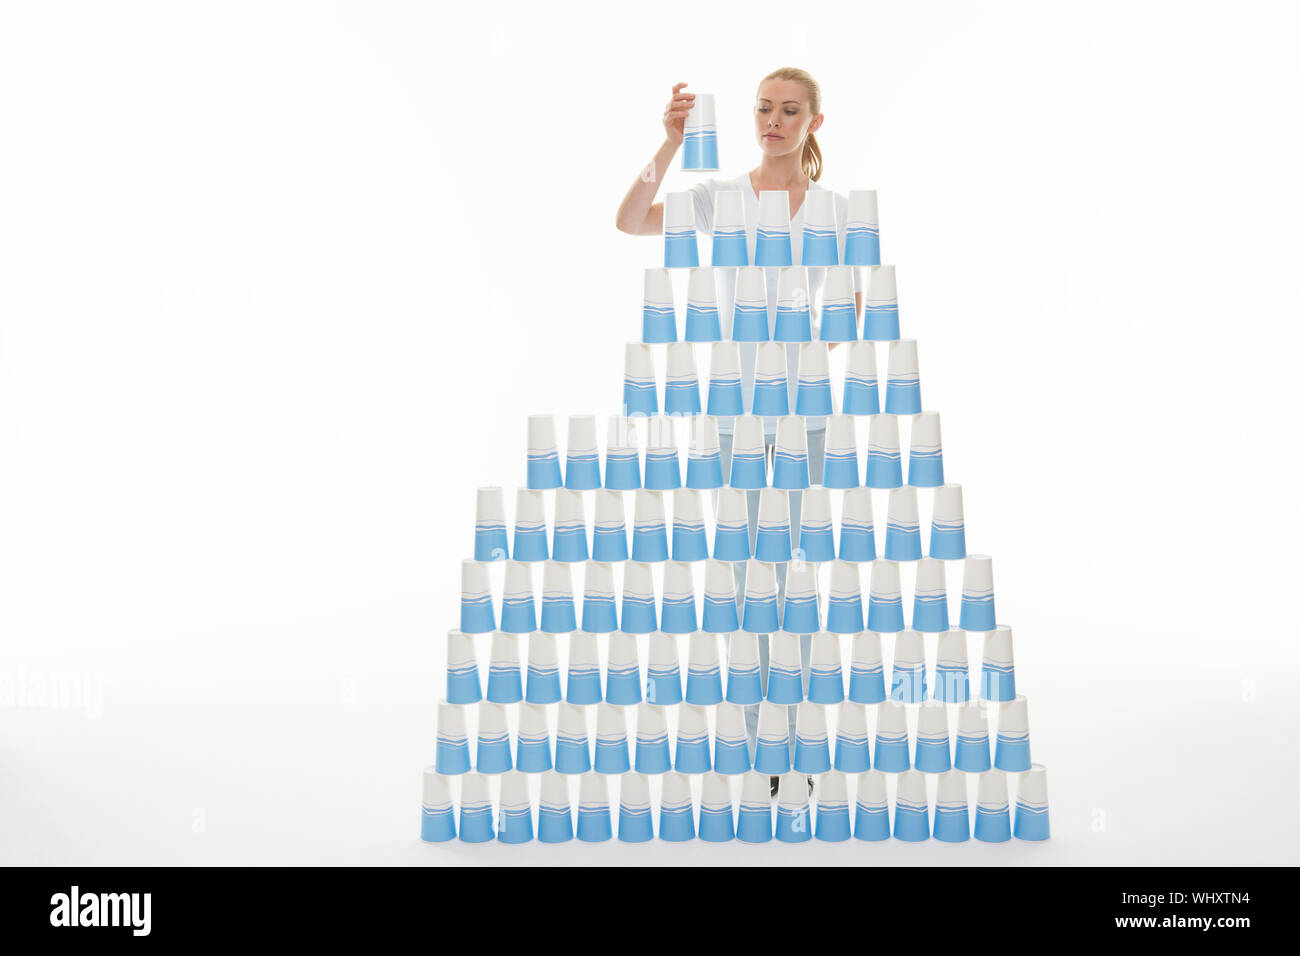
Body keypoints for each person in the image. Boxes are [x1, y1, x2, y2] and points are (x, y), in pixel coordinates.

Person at [616, 67, 864, 797]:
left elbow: (858, 305)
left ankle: (799, 737)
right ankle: (758, 739)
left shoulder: (838, 209)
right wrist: (666, 145)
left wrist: (809, 338)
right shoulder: (717, 199)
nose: (774, 120)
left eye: (791, 111)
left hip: (806, 414)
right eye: (764, 108)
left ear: (814, 122)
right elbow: (631, 220)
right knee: (745, 574)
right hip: (730, 413)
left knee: (794, 573)